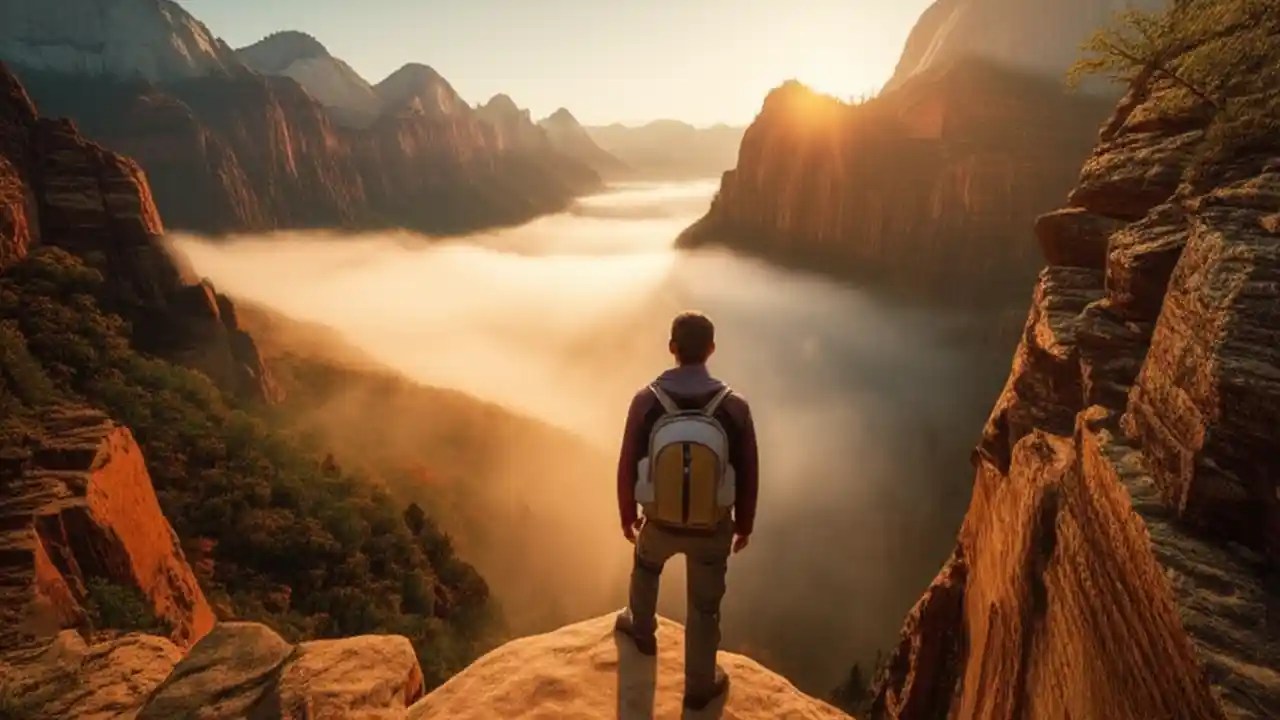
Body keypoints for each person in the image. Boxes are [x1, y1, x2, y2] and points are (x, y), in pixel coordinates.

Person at [614, 311, 759, 711]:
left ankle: (640, 629)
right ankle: (699, 686)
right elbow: (748, 470)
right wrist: (743, 524)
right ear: (711, 349)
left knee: (646, 568)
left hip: (657, 522)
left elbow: (628, 462)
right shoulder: (734, 407)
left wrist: (628, 513)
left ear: (672, 348)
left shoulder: (646, 401)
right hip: (712, 528)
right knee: (705, 606)